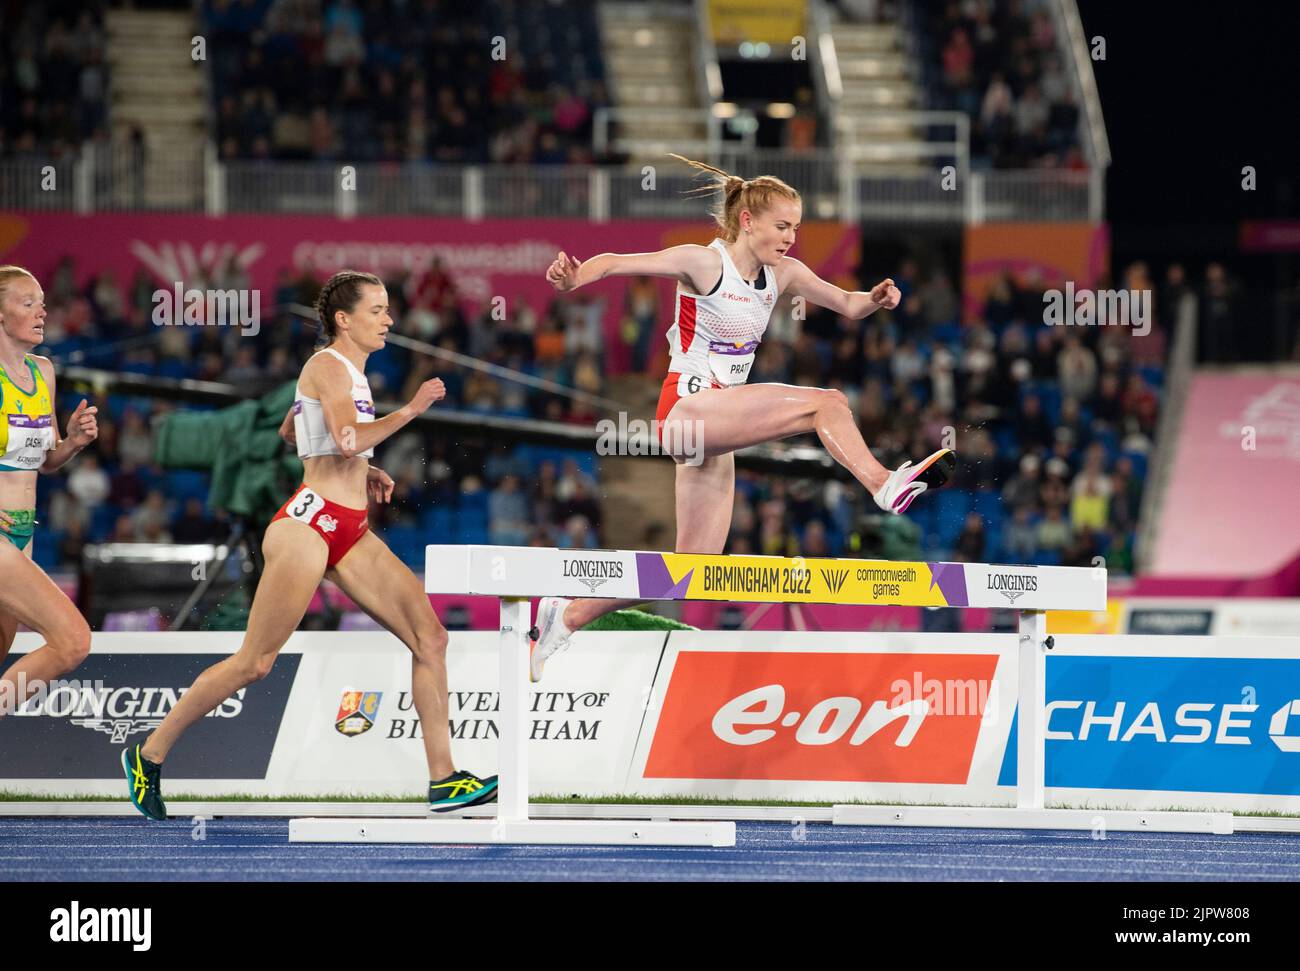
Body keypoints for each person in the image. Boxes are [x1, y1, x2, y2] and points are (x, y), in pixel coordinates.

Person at [531, 157, 954, 680]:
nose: (791, 237)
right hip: (684, 411)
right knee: (828, 403)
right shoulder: (704, 263)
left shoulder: (785, 273)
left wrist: (875, 298)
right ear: (748, 221)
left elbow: (846, 303)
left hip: (714, 430)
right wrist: (575, 278)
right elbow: (618, 262)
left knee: (689, 572)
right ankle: (883, 484)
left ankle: (567, 614)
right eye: (782, 226)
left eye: (796, 227)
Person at [123, 270, 497, 818]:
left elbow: (293, 431)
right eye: (378, 311)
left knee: (430, 639)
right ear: (344, 320)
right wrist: (411, 410)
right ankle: (147, 754)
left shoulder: (344, 374)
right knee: (254, 663)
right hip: (308, 526)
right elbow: (346, 439)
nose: (389, 320)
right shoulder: (327, 365)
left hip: (348, 527)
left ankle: (444, 780)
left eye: (388, 310)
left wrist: (360, 470)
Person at [0, 266, 99, 717]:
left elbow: (44, 461)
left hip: (24, 535)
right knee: (72, 640)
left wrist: (73, 443)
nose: (42, 310)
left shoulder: (43, 372)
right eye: (27, 302)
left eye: (41, 301)